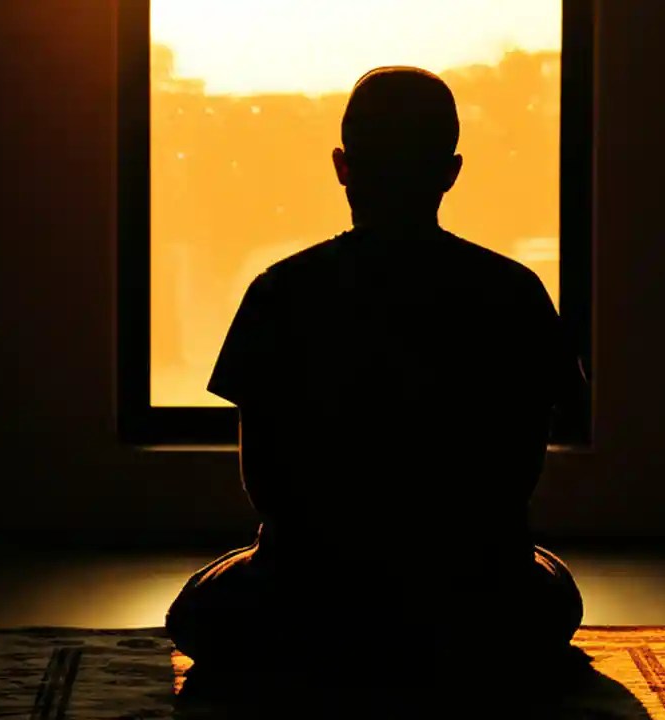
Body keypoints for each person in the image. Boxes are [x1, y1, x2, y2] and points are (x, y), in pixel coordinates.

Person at [166, 66, 589, 690]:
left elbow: (265, 482)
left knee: (198, 610)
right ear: (450, 171)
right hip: (473, 587)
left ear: (343, 166)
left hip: (311, 587)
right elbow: (516, 477)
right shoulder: (513, 293)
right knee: (551, 592)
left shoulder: (281, 291)